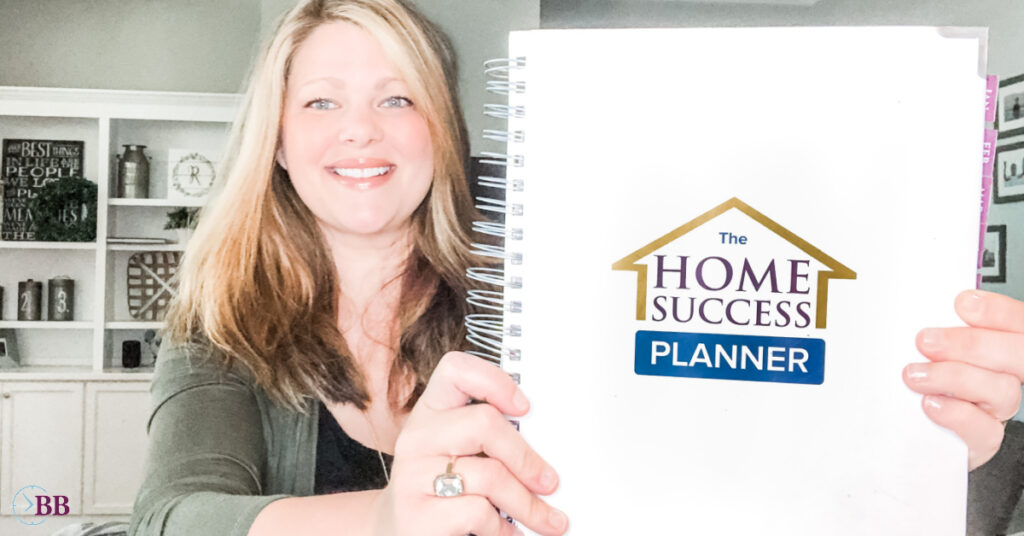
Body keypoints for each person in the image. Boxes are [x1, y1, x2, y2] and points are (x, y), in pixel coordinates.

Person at [128, 0, 1024, 535]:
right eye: (320, 101)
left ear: (441, 130)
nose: (358, 129)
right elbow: (170, 520)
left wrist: (954, 445)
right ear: (278, 143)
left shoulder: (553, 290)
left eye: (396, 98)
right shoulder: (220, 325)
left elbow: (754, 478)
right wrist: (390, 515)